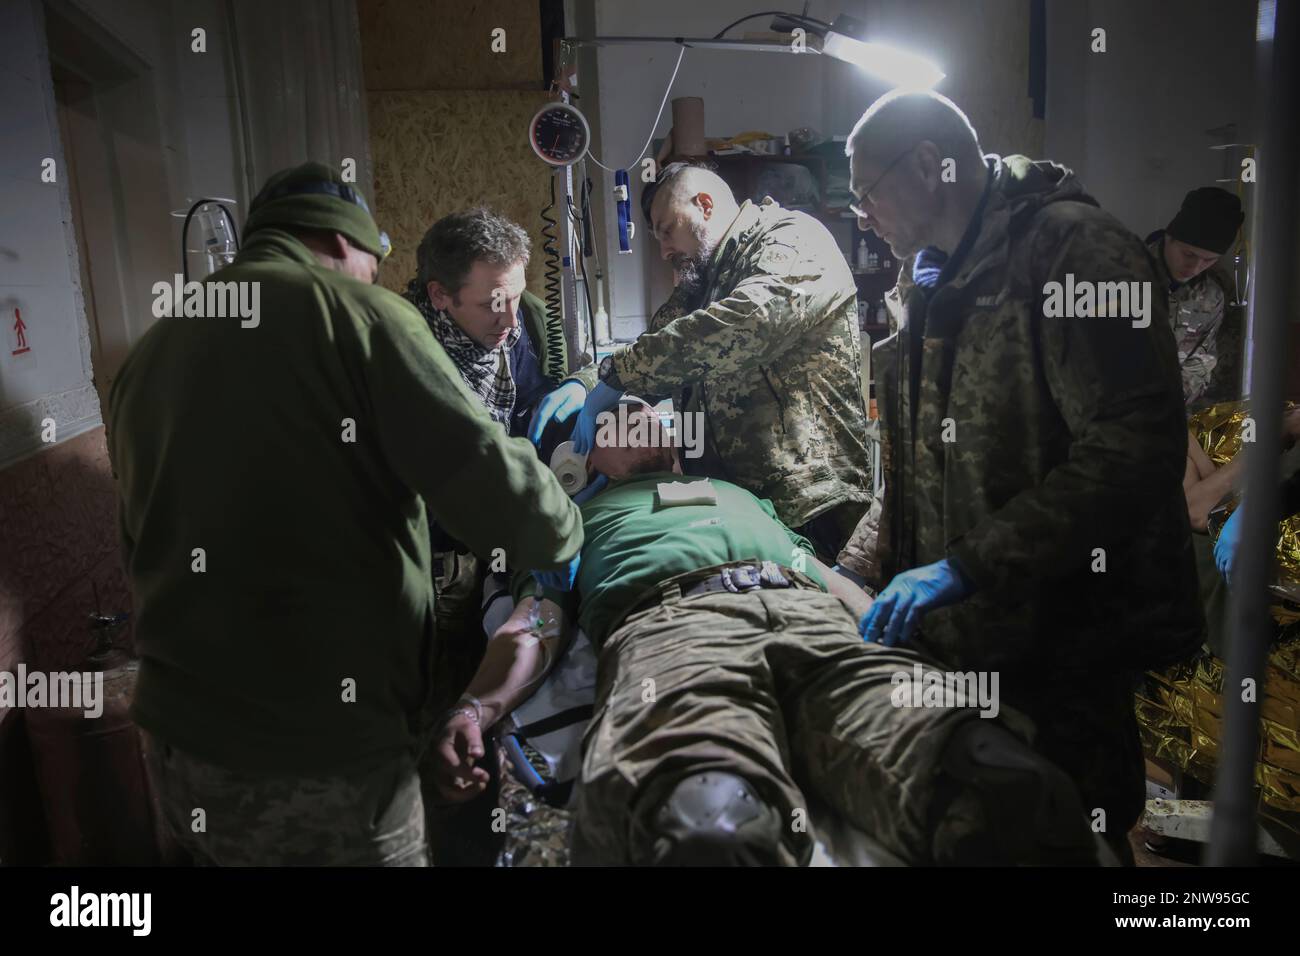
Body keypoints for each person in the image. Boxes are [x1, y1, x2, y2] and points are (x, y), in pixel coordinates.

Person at [107, 162, 582, 866]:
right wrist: (568, 516)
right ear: (341, 242)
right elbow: (503, 495)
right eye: (372, 261)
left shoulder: (151, 349)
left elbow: (136, 538)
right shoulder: (359, 316)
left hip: (180, 748)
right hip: (319, 757)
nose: (372, 276)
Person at [430, 401, 1103, 866]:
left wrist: (889, 639)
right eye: (619, 415)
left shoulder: (740, 494)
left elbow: (825, 577)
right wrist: (476, 707)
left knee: (1007, 788)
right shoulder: (571, 516)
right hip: (676, 633)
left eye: (649, 409)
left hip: (812, 620)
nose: (642, 415)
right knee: (707, 823)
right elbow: (537, 621)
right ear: (587, 454)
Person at [834, 90, 1203, 862]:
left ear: (934, 165)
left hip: (1064, 636)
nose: (862, 214)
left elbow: (1133, 451)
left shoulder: (1076, 251)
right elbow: (920, 462)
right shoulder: (930, 281)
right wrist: (861, 563)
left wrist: (967, 566)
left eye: (868, 191)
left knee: (1079, 827)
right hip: (971, 640)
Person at [400, 208, 596, 863]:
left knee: (485, 717)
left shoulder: (523, 319)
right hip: (433, 565)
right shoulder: (399, 357)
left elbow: (564, 378)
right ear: (439, 296)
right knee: (431, 731)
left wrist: (572, 386)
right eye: (491, 307)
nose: (510, 322)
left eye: (514, 299)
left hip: (503, 541)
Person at [569, 163, 873, 561]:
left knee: (807, 615)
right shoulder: (706, 277)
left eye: (666, 230)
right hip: (734, 506)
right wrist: (583, 384)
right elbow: (658, 343)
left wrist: (616, 375)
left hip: (808, 505)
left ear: (705, 205)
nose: (663, 251)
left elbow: (748, 323)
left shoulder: (793, 239)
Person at [1145, 187, 1245, 408]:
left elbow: (1201, 363)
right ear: (1168, 237)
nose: (1195, 267)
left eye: (1209, 260)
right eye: (1188, 254)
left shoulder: (1210, 297)